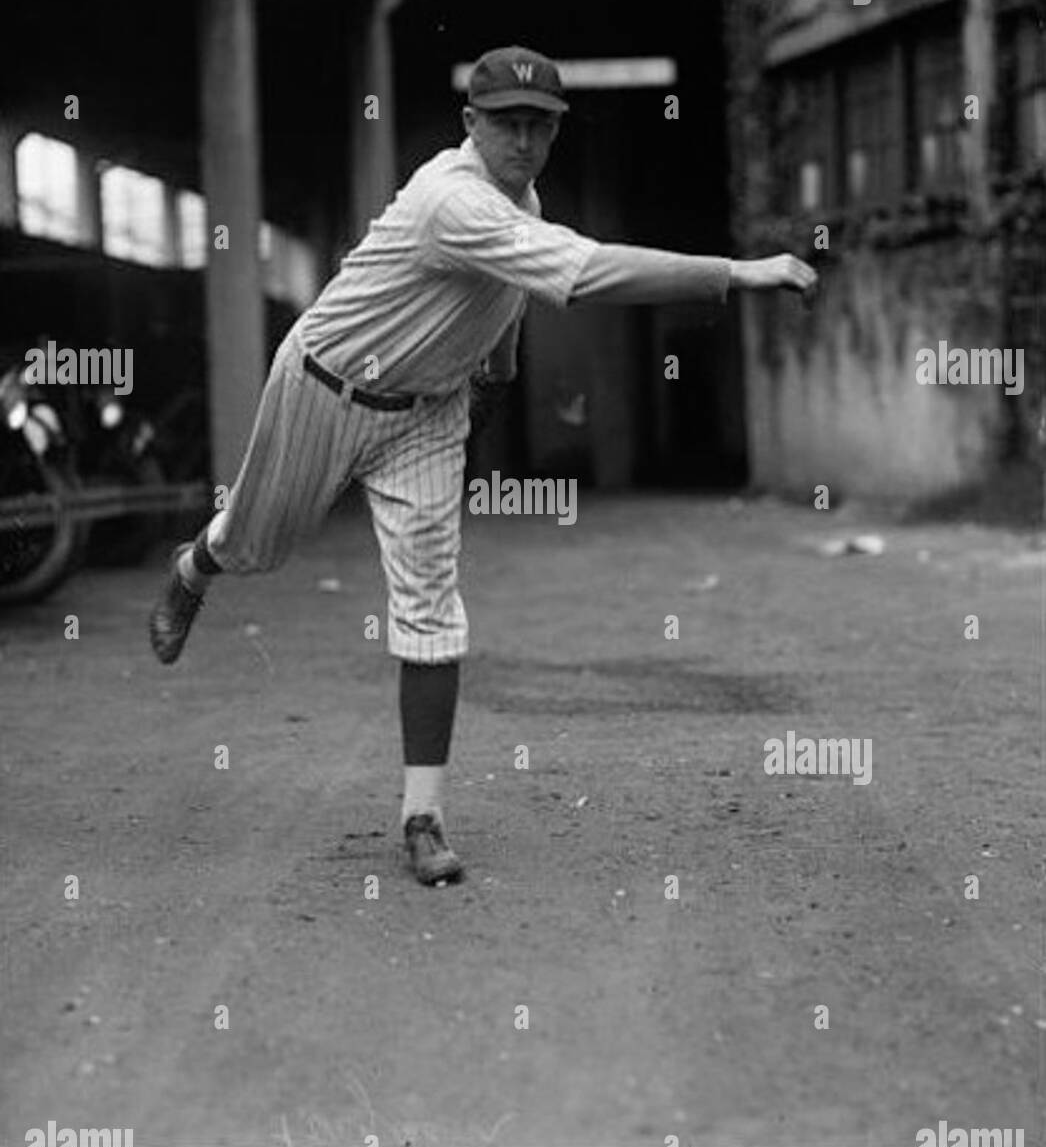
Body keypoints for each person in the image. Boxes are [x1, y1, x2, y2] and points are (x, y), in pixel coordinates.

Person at [148, 44, 817, 887]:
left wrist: (497, 373)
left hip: (426, 412)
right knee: (258, 545)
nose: (526, 141)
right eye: (509, 123)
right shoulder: (448, 199)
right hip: (326, 383)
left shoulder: (521, 199)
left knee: (431, 607)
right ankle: (193, 566)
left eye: (542, 125)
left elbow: (507, 287)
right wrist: (735, 270)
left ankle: (422, 817)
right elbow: (581, 271)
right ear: (473, 124)